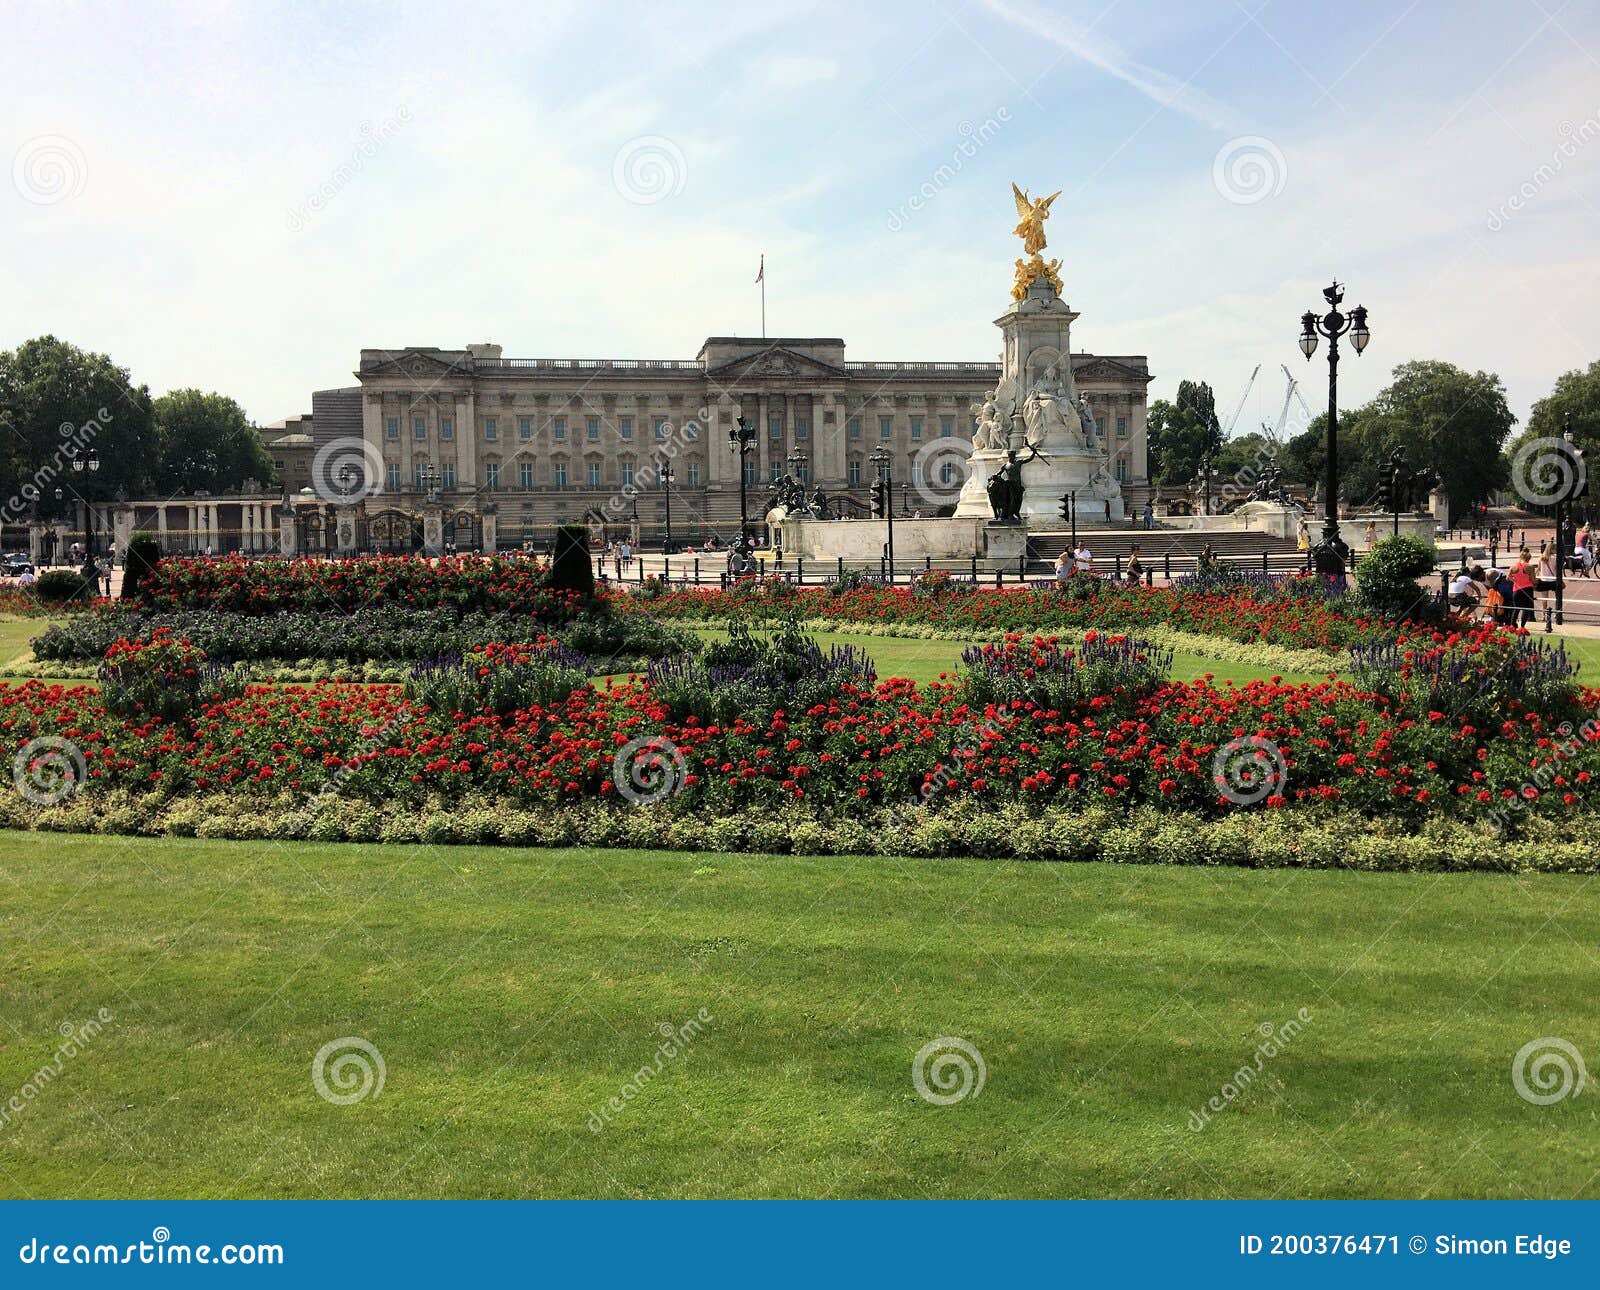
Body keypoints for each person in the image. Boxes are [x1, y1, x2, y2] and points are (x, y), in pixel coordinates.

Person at [1508, 549, 1538, 627]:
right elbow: (1533, 580)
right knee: (1526, 609)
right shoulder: (1530, 567)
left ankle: (1513, 624)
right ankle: (1522, 626)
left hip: (1516, 590)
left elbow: (1508, 578)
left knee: (1516, 608)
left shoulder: (1513, 567)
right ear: (1528, 559)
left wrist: (1515, 580)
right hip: (1527, 589)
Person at [1537, 545, 1559, 615]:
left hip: (1544, 580)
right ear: (1552, 550)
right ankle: (1557, 614)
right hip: (1553, 580)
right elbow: (1557, 568)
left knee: (1544, 599)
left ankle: (1544, 614)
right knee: (1557, 597)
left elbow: (1539, 568)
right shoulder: (1554, 558)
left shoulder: (1541, 558)